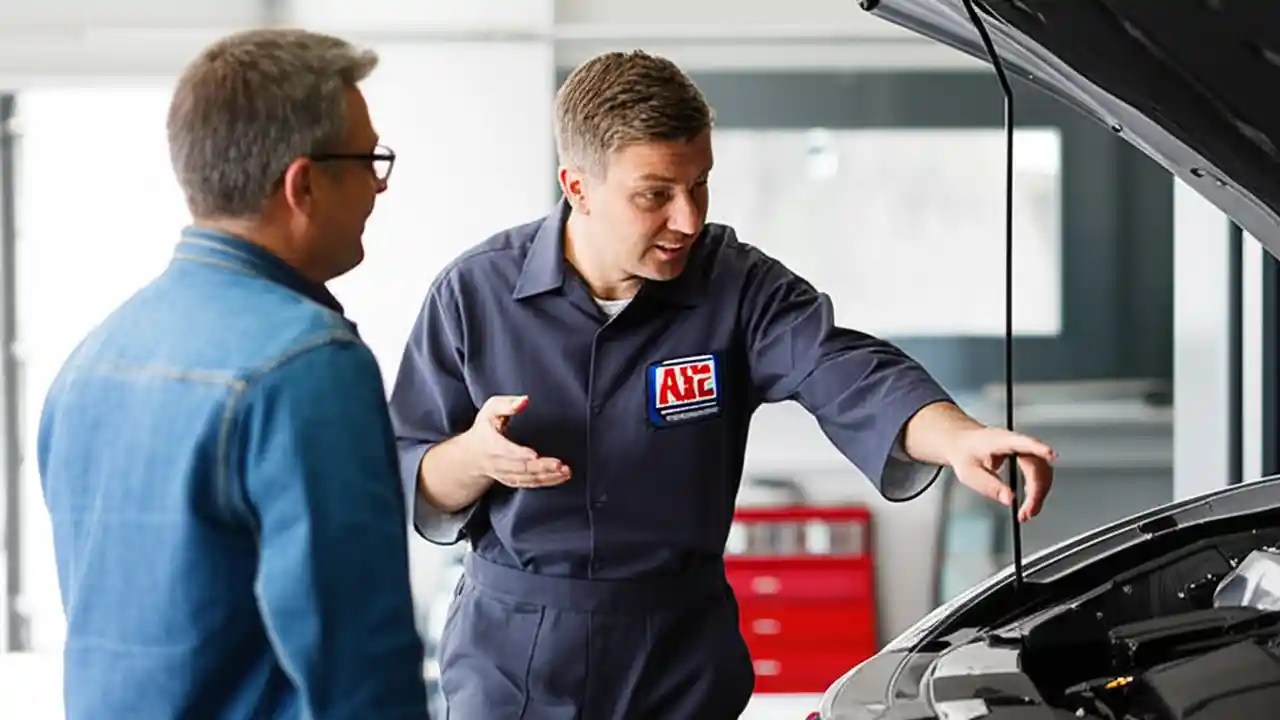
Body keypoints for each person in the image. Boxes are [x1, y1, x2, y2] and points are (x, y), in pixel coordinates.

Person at [389, 50, 1056, 719]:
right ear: (578, 186)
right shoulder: (473, 294)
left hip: (679, 653)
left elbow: (843, 368)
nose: (688, 220)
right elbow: (413, 472)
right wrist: (474, 458)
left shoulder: (736, 285)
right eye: (655, 195)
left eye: (700, 185)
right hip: (516, 659)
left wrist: (957, 436)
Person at [37, 28, 429, 719]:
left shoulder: (90, 361)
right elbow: (358, 667)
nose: (381, 184)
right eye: (369, 160)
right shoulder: (308, 368)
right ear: (303, 184)